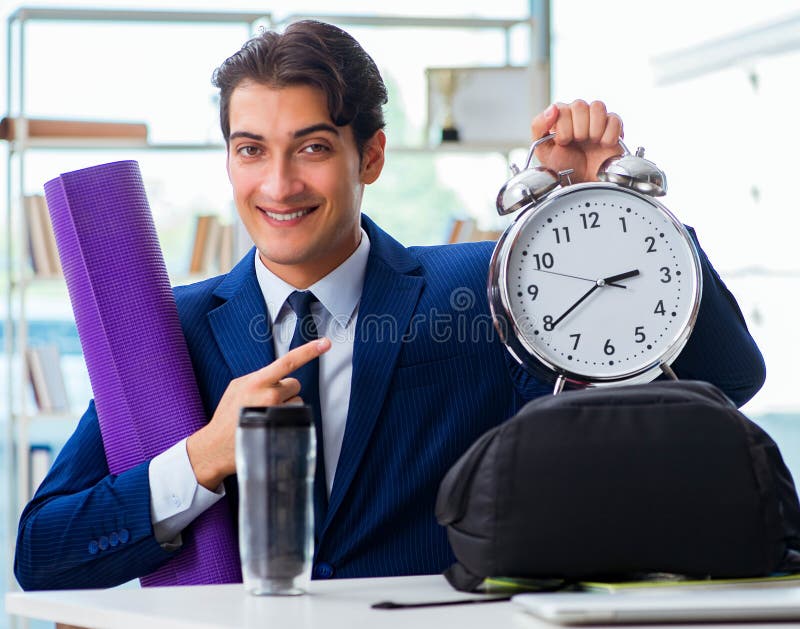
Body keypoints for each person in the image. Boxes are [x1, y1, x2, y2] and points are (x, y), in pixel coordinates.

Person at [15, 20, 765, 590]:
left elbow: (726, 376)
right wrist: (200, 459)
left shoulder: (483, 290)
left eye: (310, 147)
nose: (278, 185)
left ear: (369, 155)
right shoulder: (170, 331)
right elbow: (41, 552)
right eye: (251, 149)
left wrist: (612, 203)